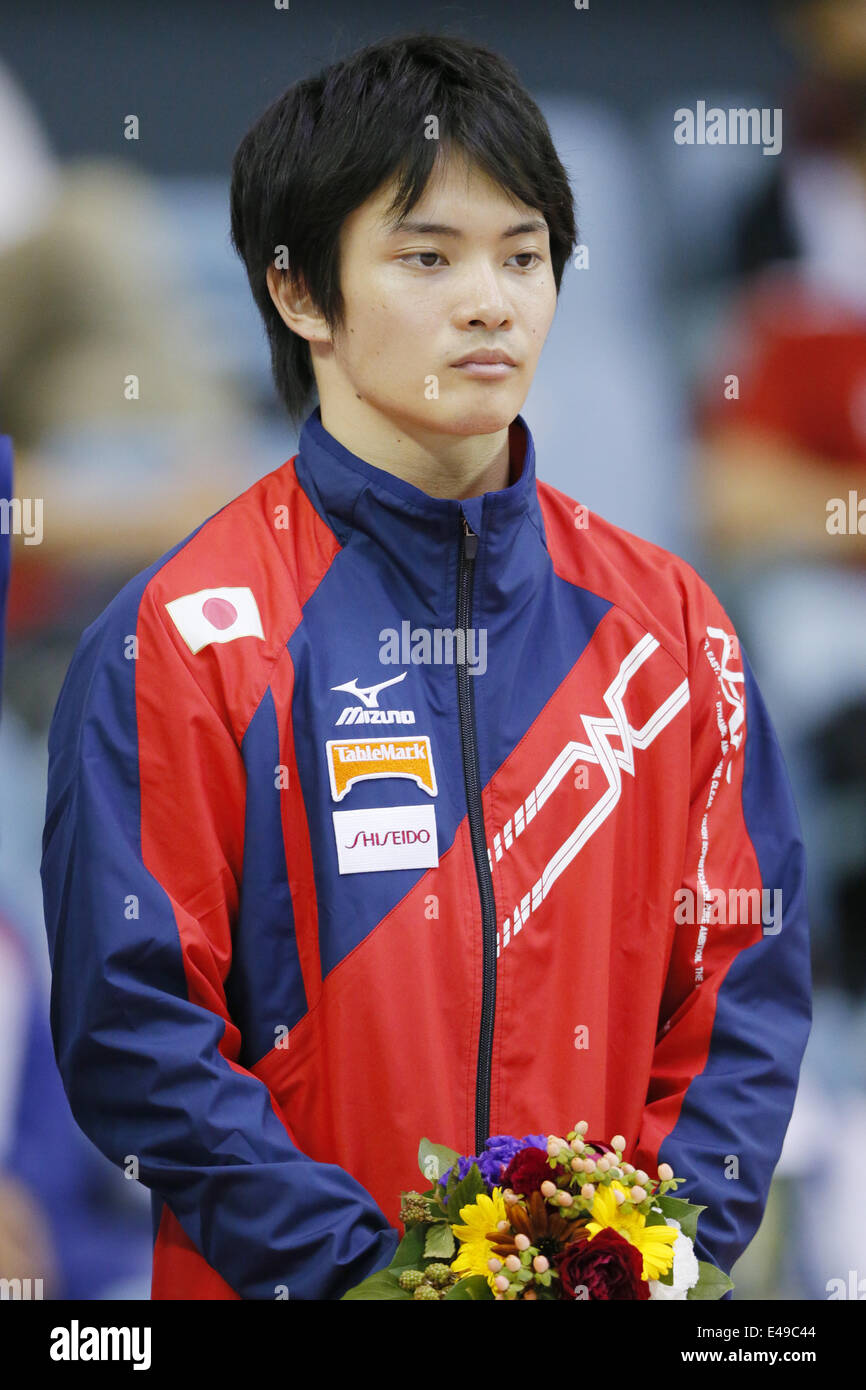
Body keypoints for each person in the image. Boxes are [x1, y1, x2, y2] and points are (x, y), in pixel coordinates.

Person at [40, 32, 812, 1301]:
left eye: (521, 256)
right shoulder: (183, 636)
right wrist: (373, 1281)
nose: (489, 301)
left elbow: (745, 979)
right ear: (298, 293)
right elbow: (136, 1035)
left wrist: (647, 1259)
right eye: (425, 257)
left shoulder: (672, 632)